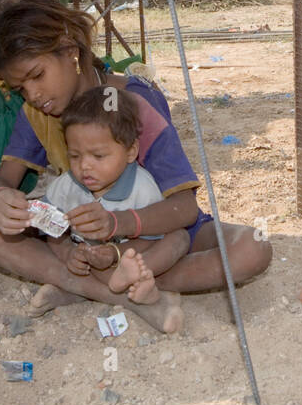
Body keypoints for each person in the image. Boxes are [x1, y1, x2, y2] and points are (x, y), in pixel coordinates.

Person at [0, 0, 272, 334]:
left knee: (253, 248)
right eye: (21, 88)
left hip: (159, 233)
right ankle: (129, 295)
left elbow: (183, 209)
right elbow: (2, 180)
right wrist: (0, 201)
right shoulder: (37, 114)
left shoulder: (134, 102)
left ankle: (94, 284)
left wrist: (116, 224)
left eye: (37, 76)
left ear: (70, 51)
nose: (33, 94)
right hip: (85, 246)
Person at [35, 85, 190, 307]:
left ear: (130, 152)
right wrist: (68, 253)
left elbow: (151, 238)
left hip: (133, 256)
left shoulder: (142, 187)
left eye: (98, 156)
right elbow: (52, 229)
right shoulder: (66, 185)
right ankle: (140, 290)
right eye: (75, 156)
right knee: (79, 260)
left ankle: (131, 280)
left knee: (179, 238)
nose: (85, 166)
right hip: (91, 260)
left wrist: (116, 253)